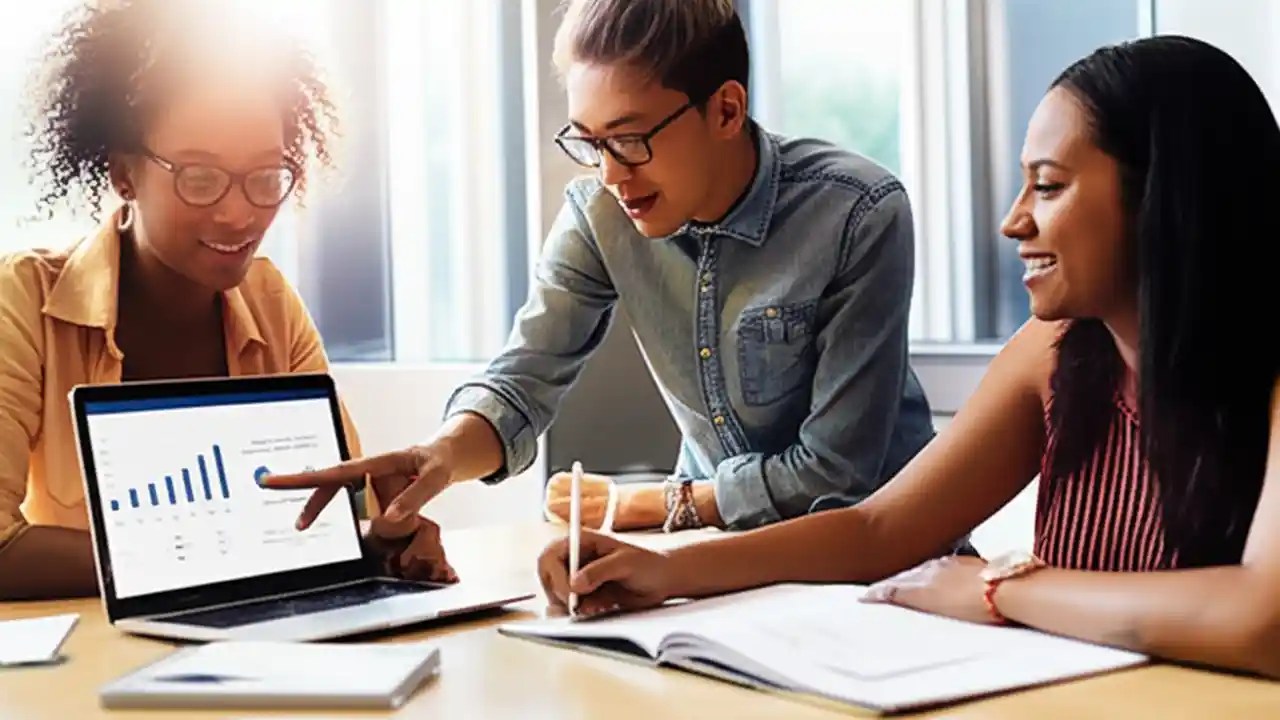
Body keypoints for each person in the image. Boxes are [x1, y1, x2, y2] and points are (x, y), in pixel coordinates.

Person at [536, 35, 1280, 679]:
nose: (1013, 220)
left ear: (1163, 199)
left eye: (1048, 187)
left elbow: (1261, 620)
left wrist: (1001, 587)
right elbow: (877, 532)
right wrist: (666, 572)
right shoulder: (1050, 357)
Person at [267, 0, 935, 543]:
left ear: (726, 110)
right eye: (590, 141)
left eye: (630, 137)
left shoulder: (858, 212)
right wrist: (441, 456)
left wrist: (650, 505)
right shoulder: (599, 213)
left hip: (880, 560)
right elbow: (522, 384)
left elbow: (836, 478)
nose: (610, 173)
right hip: (715, 560)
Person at [0, 0, 452, 601]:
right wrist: (221, 554)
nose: (240, 212)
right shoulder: (26, 299)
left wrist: (390, 539)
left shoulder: (271, 304)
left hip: (258, 645)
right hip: (89, 665)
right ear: (124, 175)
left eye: (265, 176)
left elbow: (334, 521)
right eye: (200, 176)